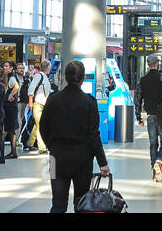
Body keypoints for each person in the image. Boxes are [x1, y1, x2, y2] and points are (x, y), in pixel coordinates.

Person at [39, 59, 110, 213]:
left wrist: (52, 145)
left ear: (65, 76)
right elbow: (94, 135)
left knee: (58, 204)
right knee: (82, 203)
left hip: (57, 157)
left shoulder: (53, 99)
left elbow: (43, 126)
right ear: (83, 78)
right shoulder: (89, 102)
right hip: (82, 159)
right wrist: (102, 162)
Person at [133, 53, 162, 182]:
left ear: (148, 64)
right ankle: (159, 162)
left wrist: (138, 117)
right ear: (157, 64)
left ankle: (154, 170)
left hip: (150, 116)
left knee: (153, 144)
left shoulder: (143, 80)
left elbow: (138, 99)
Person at [27, 59, 52, 154]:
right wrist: (30, 102)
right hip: (37, 104)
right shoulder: (39, 76)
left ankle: (30, 143)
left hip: (43, 104)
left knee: (37, 124)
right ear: (48, 68)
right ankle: (42, 147)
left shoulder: (45, 77)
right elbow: (31, 88)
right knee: (40, 124)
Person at [3, 59, 21, 159]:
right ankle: (12, 151)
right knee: (11, 130)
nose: (4, 67)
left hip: (10, 107)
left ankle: (13, 152)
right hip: (10, 106)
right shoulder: (10, 76)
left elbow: (16, 87)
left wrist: (10, 95)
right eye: (4, 66)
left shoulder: (12, 77)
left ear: (11, 68)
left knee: (11, 129)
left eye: (6, 66)